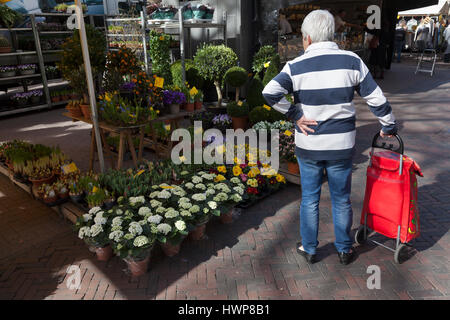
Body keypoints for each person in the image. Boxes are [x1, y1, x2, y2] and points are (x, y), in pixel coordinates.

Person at [262, 10, 397, 265]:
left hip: (309, 144)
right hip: (341, 146)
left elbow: (269, 93)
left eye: (302, 37)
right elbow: (376, 98)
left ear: (309, 38)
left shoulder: (295, 66)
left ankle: (310, 248)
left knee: (310, 198)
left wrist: (294, 114)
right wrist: (388, 126)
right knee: (341, 198)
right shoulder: (352, 61)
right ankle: (345, 249)